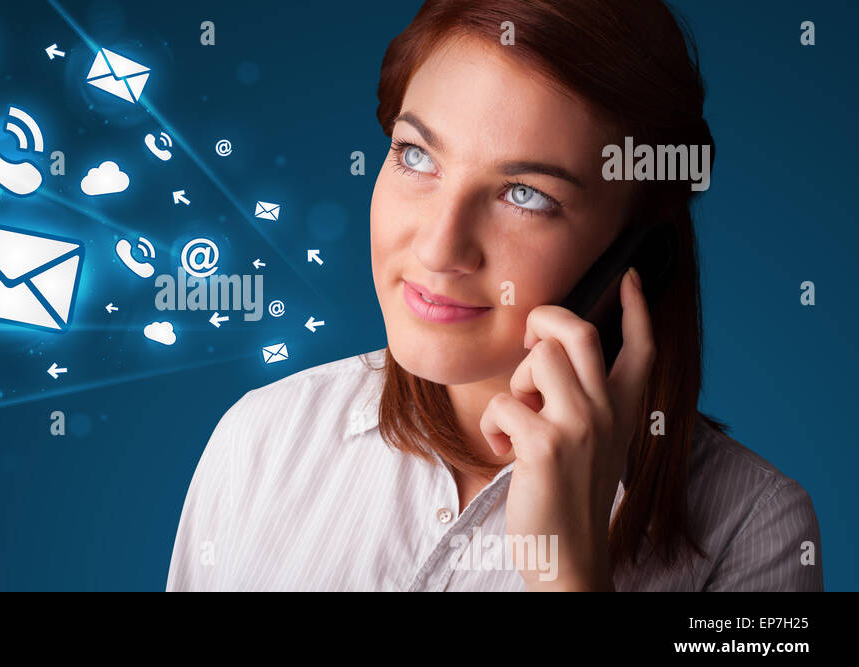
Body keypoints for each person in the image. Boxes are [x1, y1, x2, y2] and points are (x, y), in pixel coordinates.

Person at [166, 0, 823, 591]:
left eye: (526, 195)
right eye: (417, 154)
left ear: (634, 252)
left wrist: (568, 575)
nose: (438, 249)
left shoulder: (754, 530)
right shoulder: (262, 436)